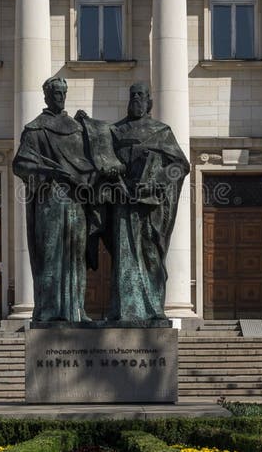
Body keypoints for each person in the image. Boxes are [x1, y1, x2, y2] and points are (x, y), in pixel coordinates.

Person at [12, 76, 98, 325]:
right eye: (55, 93)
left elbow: (91, 162)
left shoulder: (77, 128)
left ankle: (77, 310)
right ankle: (49, 311)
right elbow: (21, 164)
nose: (60, 97)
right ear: (46, 96)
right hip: (50, 201)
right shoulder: (35, 129)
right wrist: (49, 172)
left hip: (76, 202)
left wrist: (90, 128)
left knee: (76, 256)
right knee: (50, 254)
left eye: (63, 93)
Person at [105, 82, 190, 324]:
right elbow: (104, 162)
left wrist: (158, 181)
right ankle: (123, 311)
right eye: (133, 96)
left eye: (141, 96)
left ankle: (153, 309)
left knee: (152, 254)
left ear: (150, 102)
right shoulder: (115, 131)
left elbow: (180, 166)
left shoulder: (161, 131)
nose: (137, 100)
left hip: (151, 205)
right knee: (124, 257)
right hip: (123, 202)